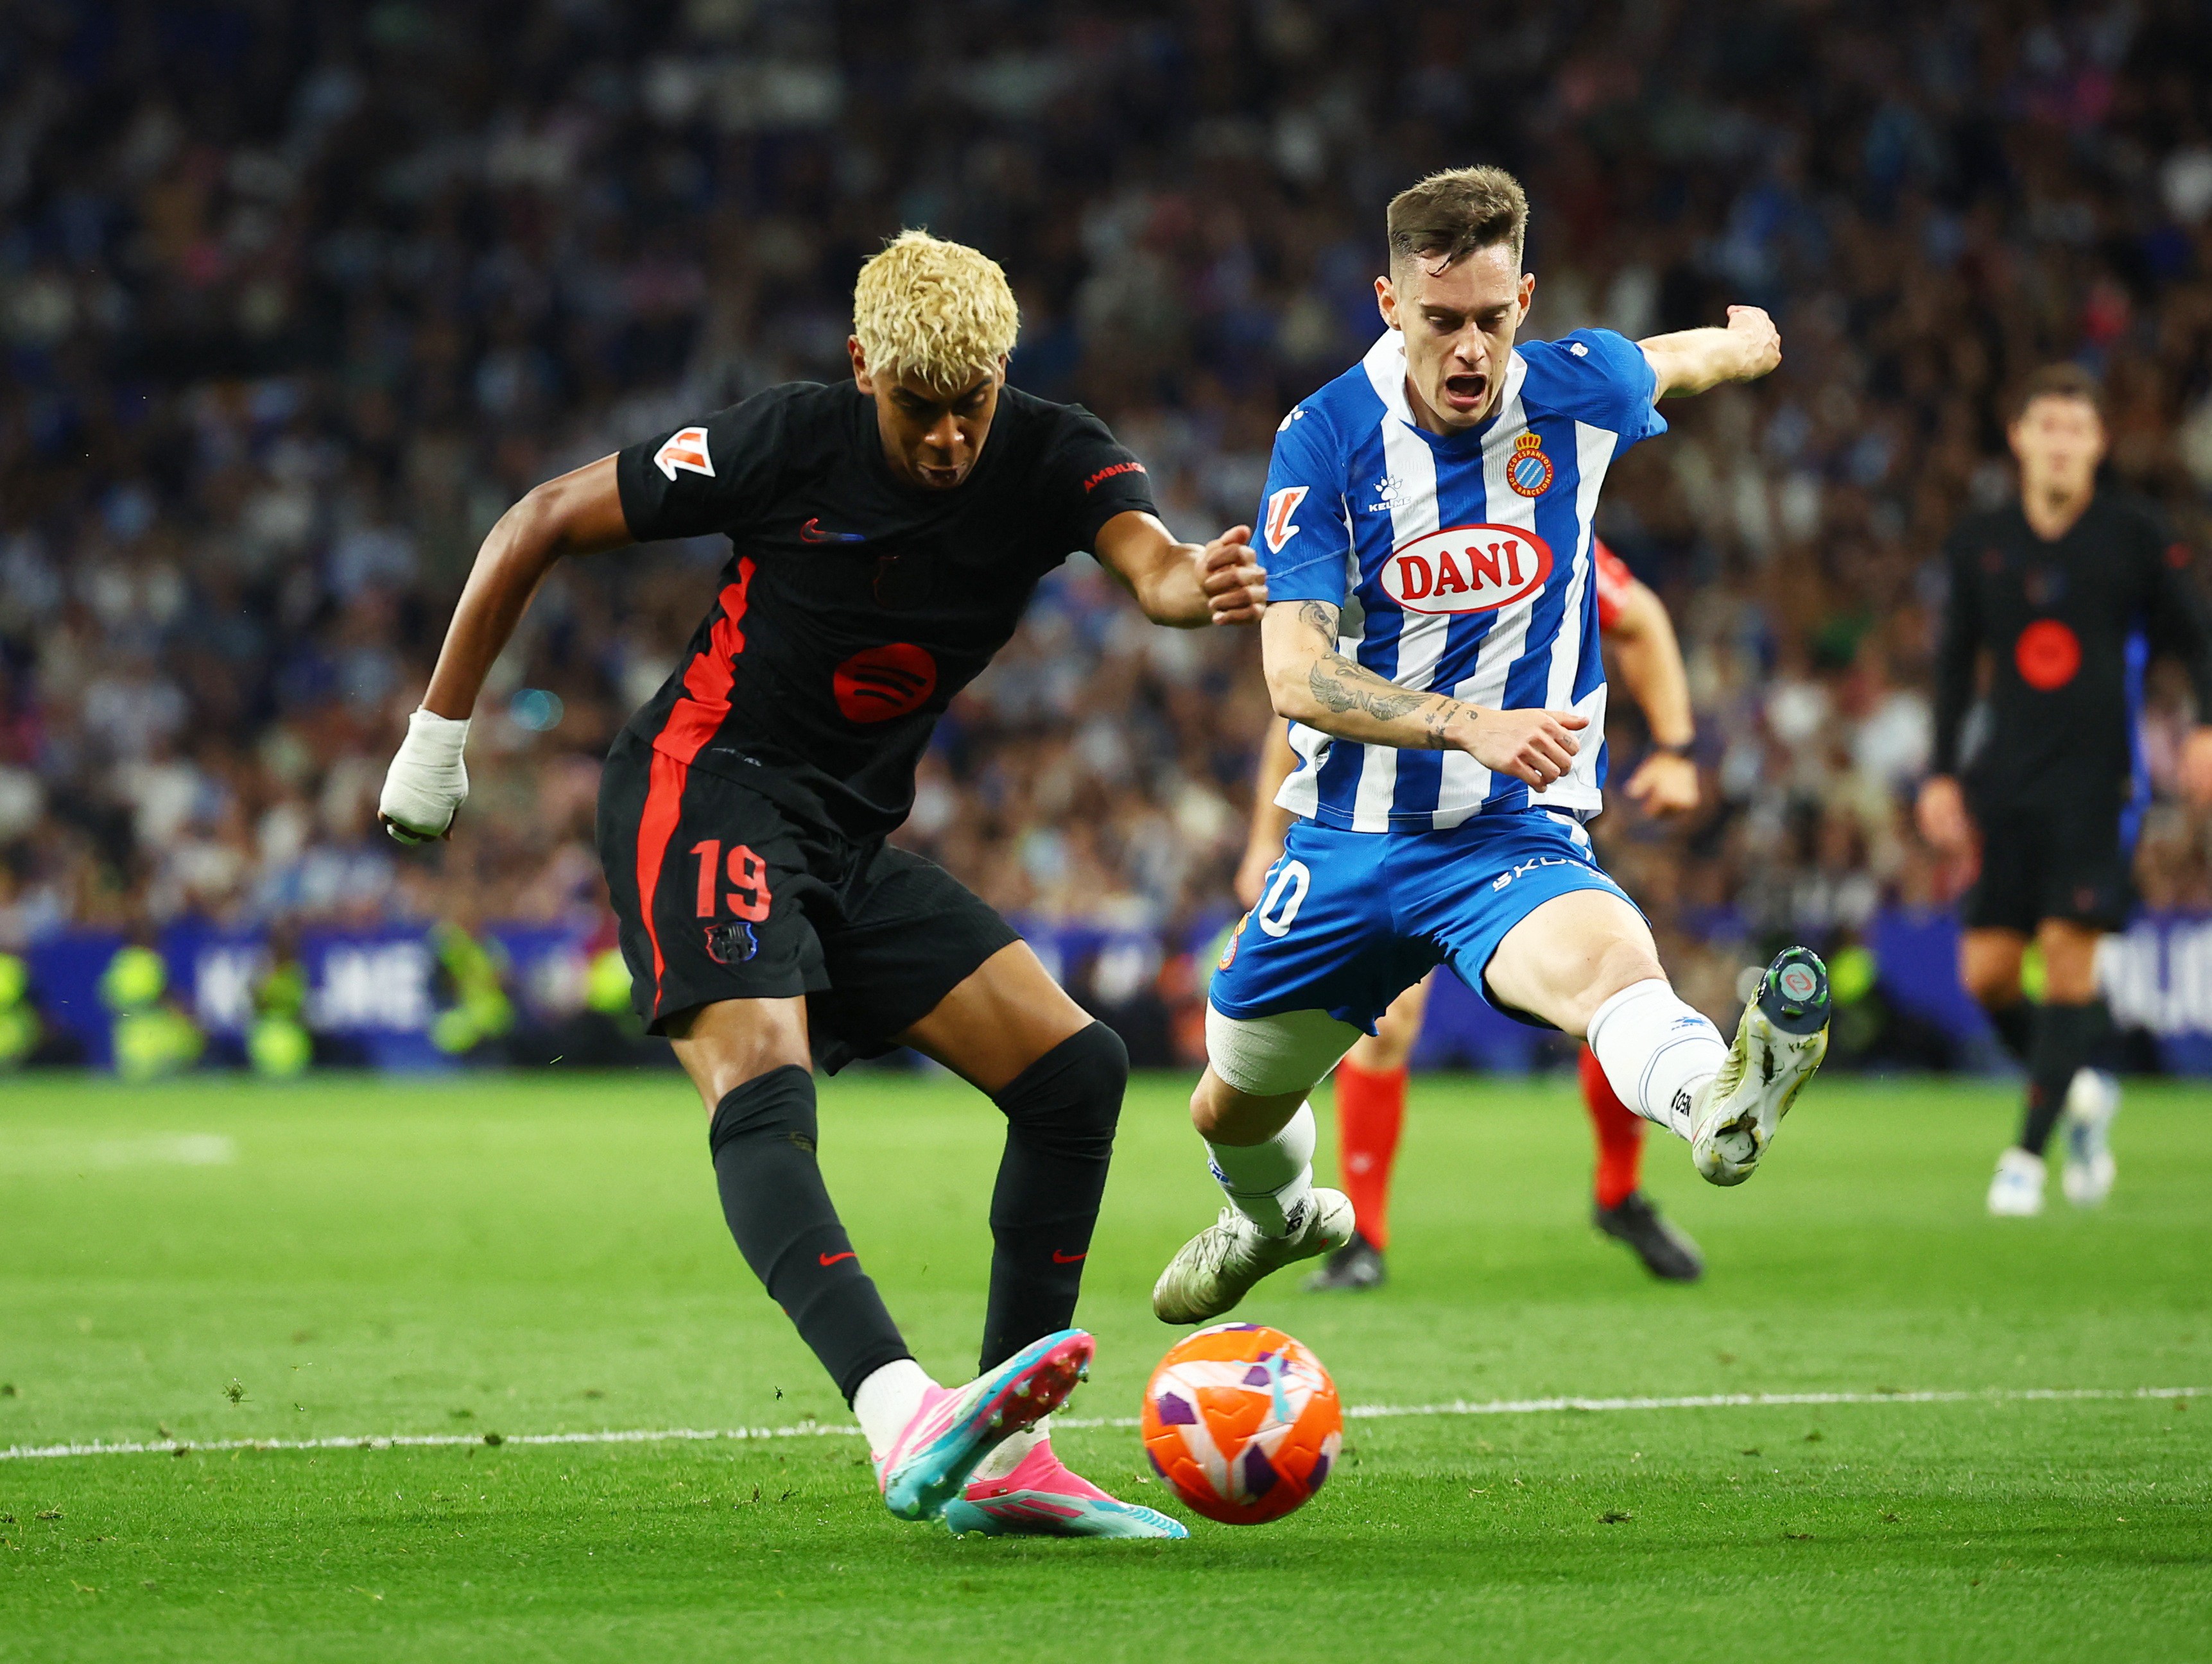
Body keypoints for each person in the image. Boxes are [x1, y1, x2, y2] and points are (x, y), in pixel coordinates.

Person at [379, 230, 1271, 1538]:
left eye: (973, 406)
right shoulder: (785, 443)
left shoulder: (1046, 449)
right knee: (761, 1086)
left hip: (843, 839)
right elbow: (540, 521)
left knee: (1075, 1073)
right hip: (706, 788)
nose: (952, 439)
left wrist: (1195, 584)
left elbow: (1148, 561)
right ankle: (894, 1404)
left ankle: (1006, 1456)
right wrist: (438, 737)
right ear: (864, 370)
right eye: (920, 408)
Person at [1152, 166, 1832, 1326]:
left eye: (1491, 319)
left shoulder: (1577, 390)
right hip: (1351, 836)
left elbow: (1669, 362)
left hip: (1505, 835)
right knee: (1228, 1107)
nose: (1469, 350)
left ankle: (1714, 1109)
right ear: (1387, 301)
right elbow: (1294, 674)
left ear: (1527, 296)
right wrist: (1469, 720)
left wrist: (1744, 343)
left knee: (1613, 968)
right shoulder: (1323, 440)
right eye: (1441, 321)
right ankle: (1273, 1216)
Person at [1232, 538, 1707, 1289]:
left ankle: (1619, 1191)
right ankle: (1364, 1240)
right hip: (1383, 830)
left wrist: (1676, 746)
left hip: (1524, 811)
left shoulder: (1542, 512)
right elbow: (1294, 702)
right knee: (1386, 1024)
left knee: (1606, 997)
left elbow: (1637, 614)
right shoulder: (1356, 520)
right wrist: (1264, 838)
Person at [1916, 363, 2212, 1217]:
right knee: (1988, 974)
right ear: (2018, 439)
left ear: (2096, 444)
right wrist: (1940, 772)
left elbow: (2196, 639)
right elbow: (1950, 668)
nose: (2057, 444)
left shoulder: (2131, 536)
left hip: (2098, 782)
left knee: (2070, 956)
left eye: (2073, 430)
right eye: (2043, 427)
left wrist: (2199, 727)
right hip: (2004, 780)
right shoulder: (1982, 543)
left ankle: (2022, 1159)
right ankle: (2078, 1091)